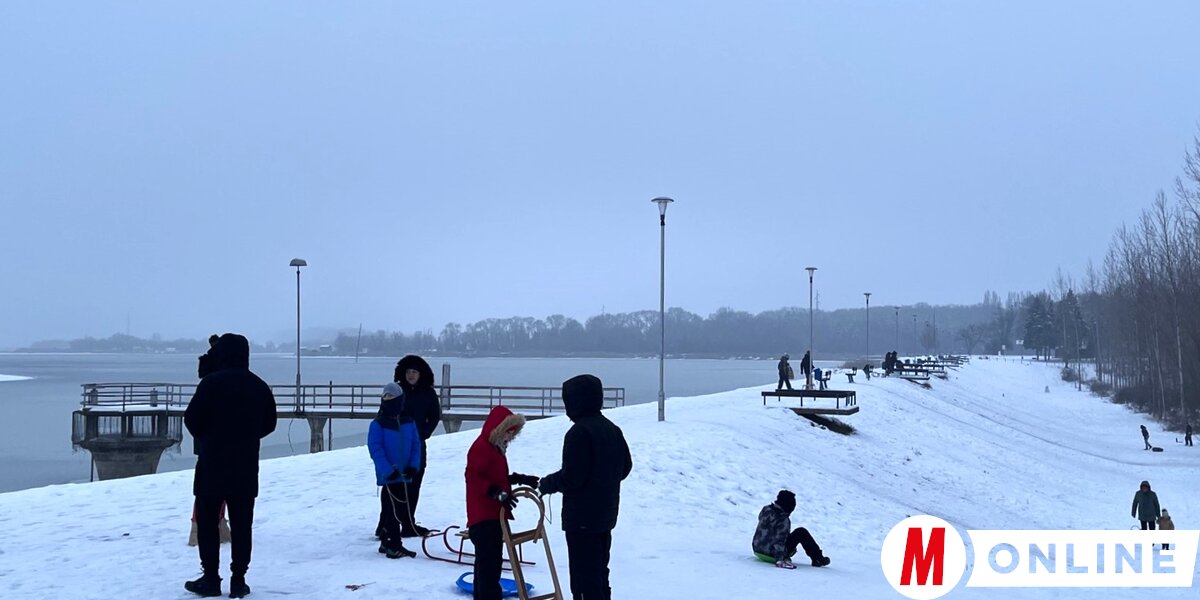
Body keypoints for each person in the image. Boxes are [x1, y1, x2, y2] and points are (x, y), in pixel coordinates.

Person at [183, 333, 277, 599]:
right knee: (242, 524)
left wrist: (209, 437)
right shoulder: (259, 386)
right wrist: (246, 437)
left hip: (212, 464)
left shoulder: (210, 384)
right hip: (245, 466)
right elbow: (269, 424)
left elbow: (192, 420)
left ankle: (211, 578)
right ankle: (239, 580)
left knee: (208, 522)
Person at [540, 374, 633, 600]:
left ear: (577, 401)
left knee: (584, 579)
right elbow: (626, 467)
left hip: (582, 519)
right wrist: (605, 482)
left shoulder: (579, 433)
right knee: (600, 573)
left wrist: (547, 484)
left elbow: (572, 477)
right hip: (606, 515)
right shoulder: (612, 429)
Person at [465, 405, 537, 600]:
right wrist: (497, 494)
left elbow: (497, 477)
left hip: (492, 516)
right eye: (506, 433)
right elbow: (473, 476)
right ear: (497, 429)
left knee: (485, 565)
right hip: (483, 517)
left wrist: (521, 478)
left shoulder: (494, 449)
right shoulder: (482, 448)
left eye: (511, 434)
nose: (508, 438)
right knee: (489, 567)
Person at [374, 355, 442, 539]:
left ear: (421, 374)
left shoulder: (428, 393)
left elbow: (435, 417)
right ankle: (385, 526)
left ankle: (408, 524)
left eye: (415, 372)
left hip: (417, 445)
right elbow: (383, 415)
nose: (411, 375)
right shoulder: (397, 392)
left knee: (414, 486)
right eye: (408, 372)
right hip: (395, 447)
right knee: (392, 488)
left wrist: (422, 434)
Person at [368, 382, 422, 559]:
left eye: (391, 397)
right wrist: (387, 470)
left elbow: (416, 445)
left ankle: (386, 540)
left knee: (396, 508)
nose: (388, 399)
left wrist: (413, 466)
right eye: (385, 397)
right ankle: (394, 544)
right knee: (392, 511)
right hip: (389, 474)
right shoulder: (378, 423)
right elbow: (375, 449)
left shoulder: (409, 421)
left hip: (405, 473)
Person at [752, 490, 830, 569]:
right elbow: (779, 540)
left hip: (757, 548)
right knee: (801, 532)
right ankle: (818, 558)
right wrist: (780, 558)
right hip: (772, 553)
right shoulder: (783, 520)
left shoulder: (766, 510)